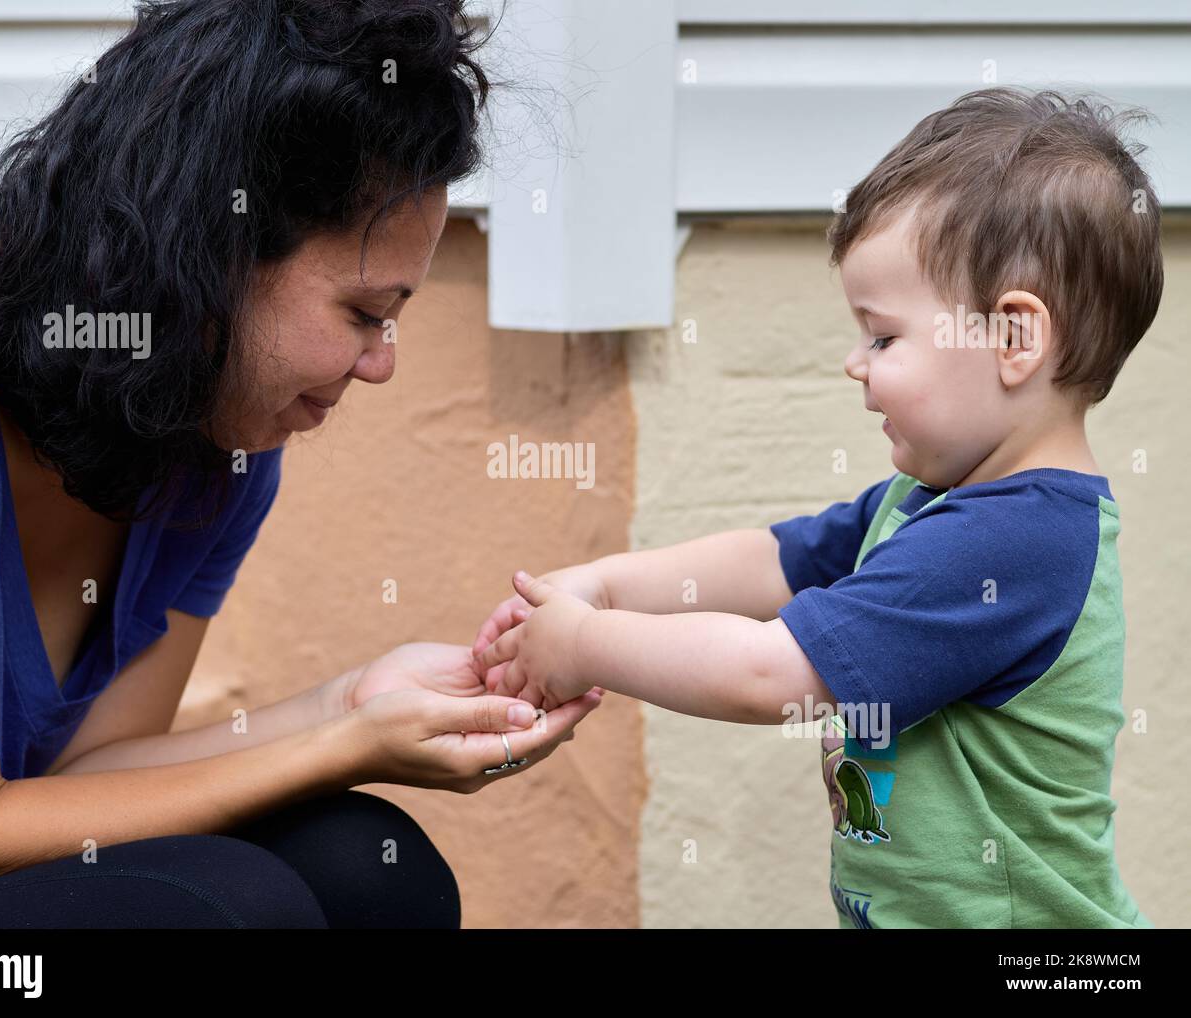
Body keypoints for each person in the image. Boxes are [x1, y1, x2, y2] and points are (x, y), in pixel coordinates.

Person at [0, 0, 601, 930]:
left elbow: (86, 782)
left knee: (371, 872)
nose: (382, 362)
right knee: (229, 909)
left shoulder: (219, 449)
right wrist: (348, 744)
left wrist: (350, 701)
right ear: (209, 257)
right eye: (362, 313)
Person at [474, 87, 1158, 929]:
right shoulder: (933, 505)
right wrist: (602, 585)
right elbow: (772, 561)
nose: (854, 363)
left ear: (1013, 340)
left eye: (883, 337)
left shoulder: (1012, 542)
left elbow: (768, 674)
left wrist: (583, 644)